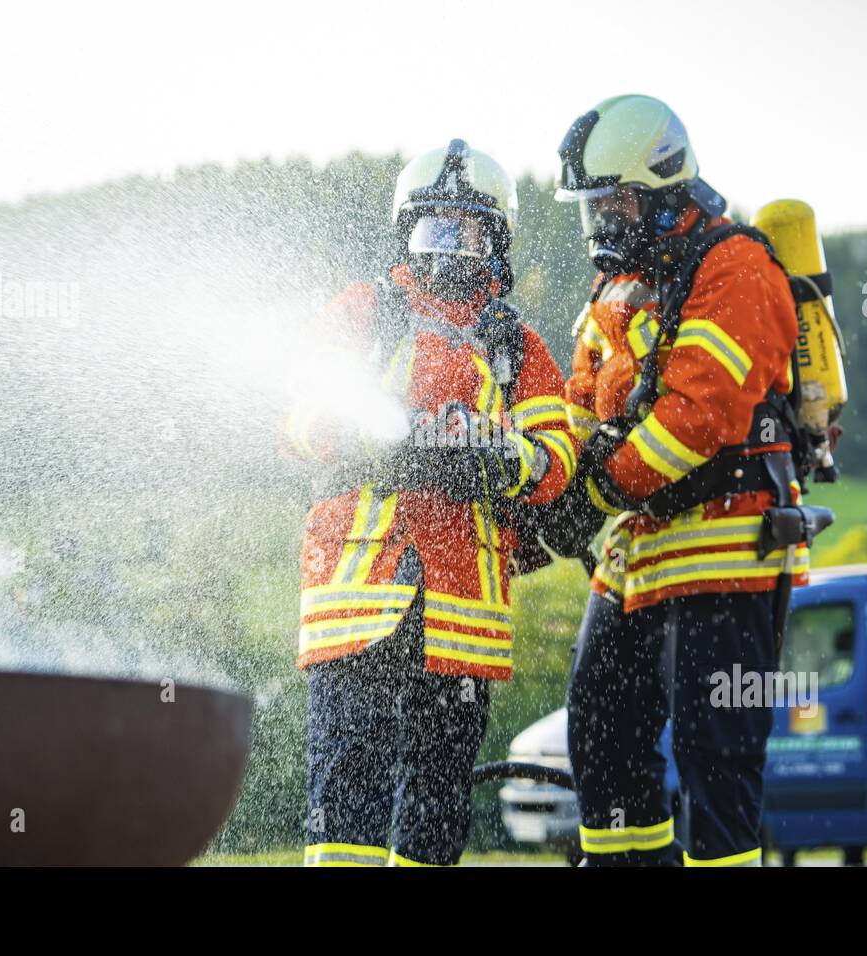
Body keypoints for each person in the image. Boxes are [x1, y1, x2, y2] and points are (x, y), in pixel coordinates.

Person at [285, 140, 577, 866]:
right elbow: (296, 418)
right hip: (358, 600)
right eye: (433, 226)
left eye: (468, 229)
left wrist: (514, 458)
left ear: (496, 244)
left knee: (436, 809)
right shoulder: (363, 313)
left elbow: (558, 456)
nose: (449, 245)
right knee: (345, 794)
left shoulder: (517, 347)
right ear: (406, 232)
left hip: (460, 621)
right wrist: (356, 425)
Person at [555, 94, 813, 866]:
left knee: (716, 760)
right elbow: (578, 402)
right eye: (593, 206)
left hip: (728, 543)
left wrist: (597, 491)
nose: (601, 222)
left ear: (664, 184)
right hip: (639, 553)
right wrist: (553, 482)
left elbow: (697, 416)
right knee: (598, 736)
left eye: (615, 201)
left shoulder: (737, 266)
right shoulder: (616, 291)